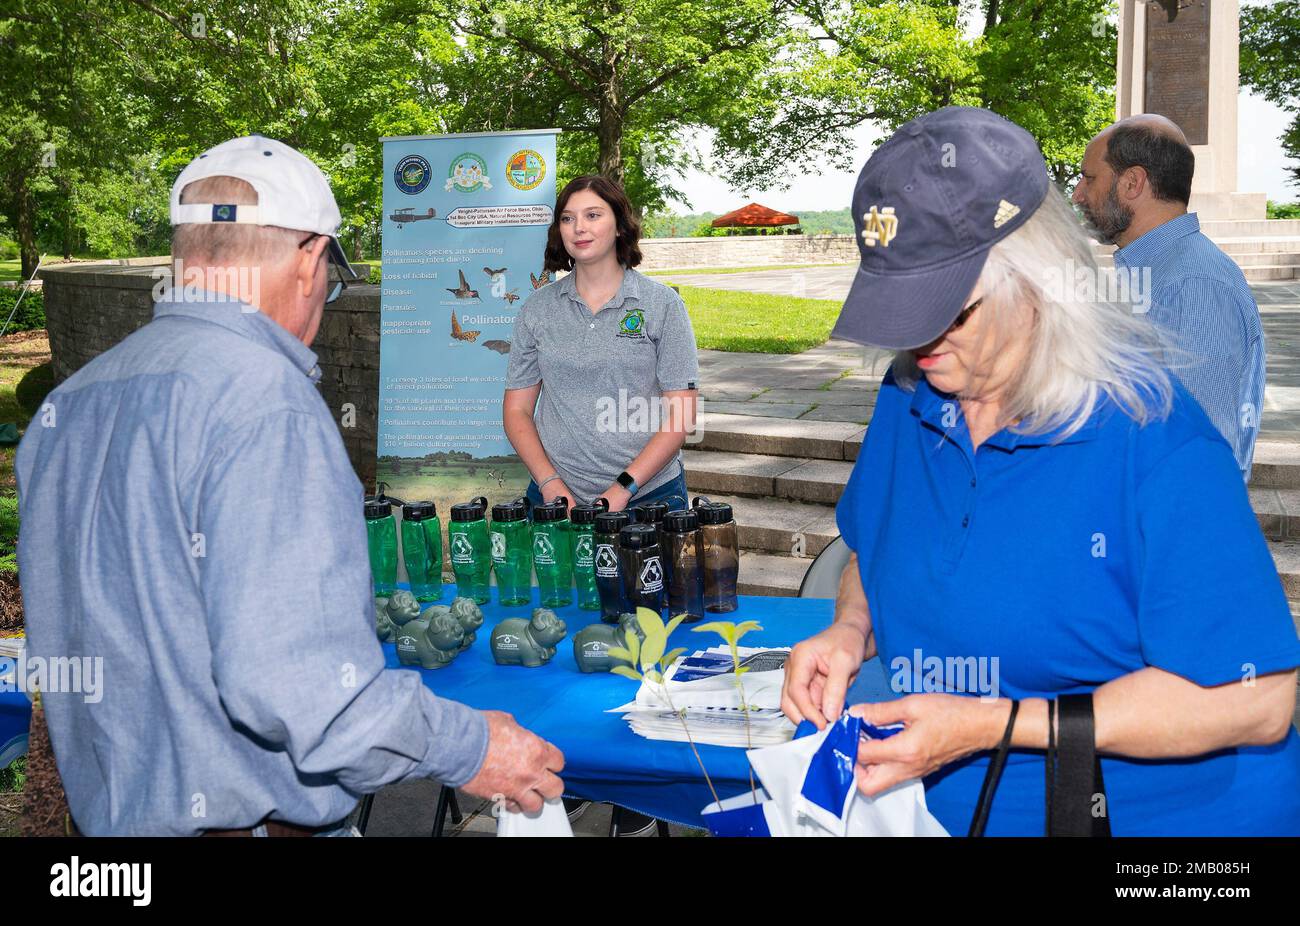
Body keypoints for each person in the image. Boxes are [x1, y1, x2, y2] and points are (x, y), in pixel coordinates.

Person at [16, 136, 563, 835]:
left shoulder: (71, 405)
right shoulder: (266, 403)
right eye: (332, 284)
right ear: (310, 259)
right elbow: (299, 688)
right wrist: (473, 746)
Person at [783, 106, 1300, 836]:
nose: (918, 343)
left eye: (947, 312)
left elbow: (1259, 698)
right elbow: (881, 546)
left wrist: (994, 723)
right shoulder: (910, 396)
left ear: (1039, 283)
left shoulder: (1152, 435)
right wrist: (850, 630)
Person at [1073, 114, 1265, 480]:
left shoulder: (1193, 285)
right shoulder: (1159, 273)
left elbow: (1192, 459)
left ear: (1132, 183)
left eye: (1089, 178)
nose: (1078, 193)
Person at [503, 174, 698, 513]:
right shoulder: (537, 309)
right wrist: (550, 484)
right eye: (568, 218)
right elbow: (516, 410)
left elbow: (682, 415)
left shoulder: (662, 305)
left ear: (620, 226)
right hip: (554, 499)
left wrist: (624, 488)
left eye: (593, 215)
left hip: (647, 496)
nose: (579, 227)